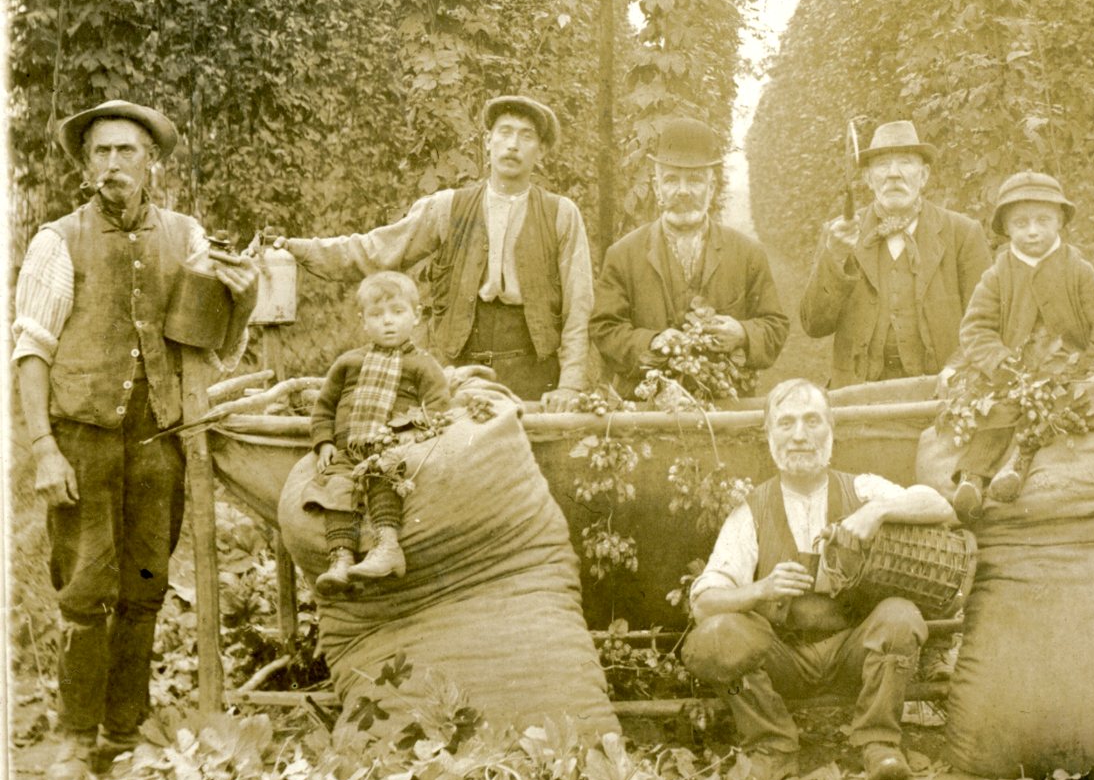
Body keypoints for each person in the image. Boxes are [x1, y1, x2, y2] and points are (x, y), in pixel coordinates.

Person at [13, 100, 259, 780]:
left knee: (145, 585)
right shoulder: (57, 241)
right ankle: (72, 738)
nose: (113, 166)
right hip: (83, 440)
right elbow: (30, 350)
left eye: (126, 152)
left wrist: (243, 294)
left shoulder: (188, 236)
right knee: (85, 588)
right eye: (101, 154)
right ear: (86, 165)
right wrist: (43, 447)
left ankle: (123, 734)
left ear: (152, 162)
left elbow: (212, 341)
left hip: (158, 440)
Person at [682, 378, 957, 780]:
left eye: (812, 421)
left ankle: (879, 743)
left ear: (832, 431)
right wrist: (762, 589)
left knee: (900, 616)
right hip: (783, 661)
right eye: (786, 423)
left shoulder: (861, 489)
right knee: (718, 635)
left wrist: (878, 512)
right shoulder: (751, 509)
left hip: (855, 654)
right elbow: (703, 603)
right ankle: (772, 747)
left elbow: (941, 505)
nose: (799, 435)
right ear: (769, 435)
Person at [282, 95, 592, 409]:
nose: (513, 144)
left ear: (541, 151)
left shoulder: (561, 214)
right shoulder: (447, 208)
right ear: (488, 141)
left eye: (526, 136)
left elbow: (578, 306)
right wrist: (300, 250)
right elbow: (376, 251)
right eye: (505, 132)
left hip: (535, 373)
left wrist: (569, 385)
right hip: (456, 371)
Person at [938, 171, 1094, 522]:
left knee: (1052, 412)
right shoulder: (998, 274)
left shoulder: (1077, 269)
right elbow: (976, 328)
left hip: (1067, 370)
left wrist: (1087, 370)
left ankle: (1017, 464)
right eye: (1021, 223)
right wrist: (1001, 363)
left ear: (1060, 222)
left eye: (1043, 220)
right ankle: (972, 478)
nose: (1033, 231)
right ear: (1007, 229)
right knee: (995, 412)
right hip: (1012, 372)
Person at [590, 116, 788, 398]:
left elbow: (775, 325)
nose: (683, 191)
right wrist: (653, 342)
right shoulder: (623, 254)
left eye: (695, 180)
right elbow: (604, 329)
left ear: (711, 188)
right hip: (645, 411)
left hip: (726, 410)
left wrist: (742, 333)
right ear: (657, 188)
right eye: (671, 179)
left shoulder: (748, 253)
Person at [800, 120, 991, 387]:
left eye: (905, 162)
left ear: (923, 176)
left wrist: (956, 369)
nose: (893, 174)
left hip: (939, 393)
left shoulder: (963, 233)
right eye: (881, 165)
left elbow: (986, 323)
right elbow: (814, 324)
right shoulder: (839, 234)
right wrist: (835, 256)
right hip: (856, 396)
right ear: (868, 178)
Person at [307, 272, 453, 596]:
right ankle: (341, 557)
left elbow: (439, 408)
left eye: (397, 312)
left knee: (382, 476)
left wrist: (409, 437)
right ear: (363, 321)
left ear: (415, 316)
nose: (388, 322)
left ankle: (387, 547)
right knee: (337, 486)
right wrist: (325, 442)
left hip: (392, 447)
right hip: (349, 450)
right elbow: (324, 407)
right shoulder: (348, 363)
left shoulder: (422, 365)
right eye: (377, 315)